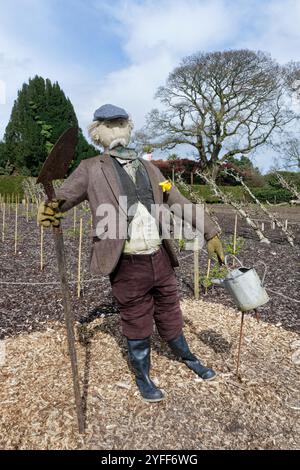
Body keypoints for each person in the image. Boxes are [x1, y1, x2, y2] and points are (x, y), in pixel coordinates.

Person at [38, 104, 225, 403]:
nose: (116, 130)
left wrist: (210, 231)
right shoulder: (90, 168)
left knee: (169, 308)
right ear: (98, 132)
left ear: (128, 127)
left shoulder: (151, 169)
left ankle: (186, 355)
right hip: (125, 262)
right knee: (136, 317)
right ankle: (143, 375)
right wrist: (50, 208)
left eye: (120, 123)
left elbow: (178, 199)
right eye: (109, 125)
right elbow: (64, 198)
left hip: (160, 257)